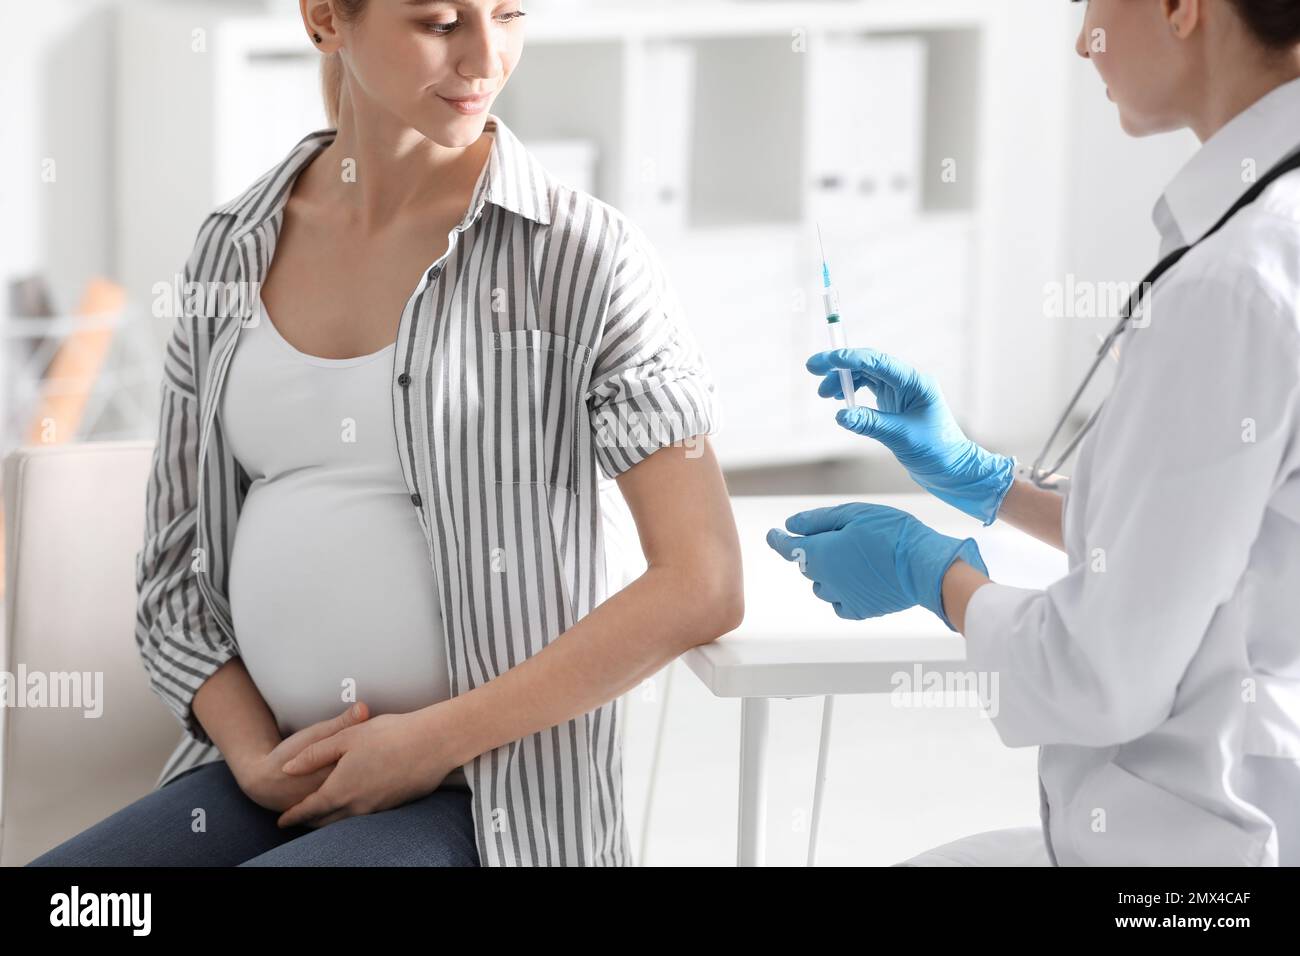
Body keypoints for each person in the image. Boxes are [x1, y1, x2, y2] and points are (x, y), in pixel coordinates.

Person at [29, 0, 742, 867]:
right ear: (327, 18)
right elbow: (174, 578)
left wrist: (429, 743)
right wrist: (255, 757)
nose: (487, 58)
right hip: (268, 778)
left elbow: (701, 580)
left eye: (509, 14)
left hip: (488, 798)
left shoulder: (582, 257)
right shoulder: (229, 250)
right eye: (441, 23)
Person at [767, 0, 1300, 866]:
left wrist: (930, 571)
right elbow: (1219, 537)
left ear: (1180, 8)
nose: (1083, 37)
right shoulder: (1260, 236)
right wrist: (991, 483)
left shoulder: (1234, 285)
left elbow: (1098, 680)